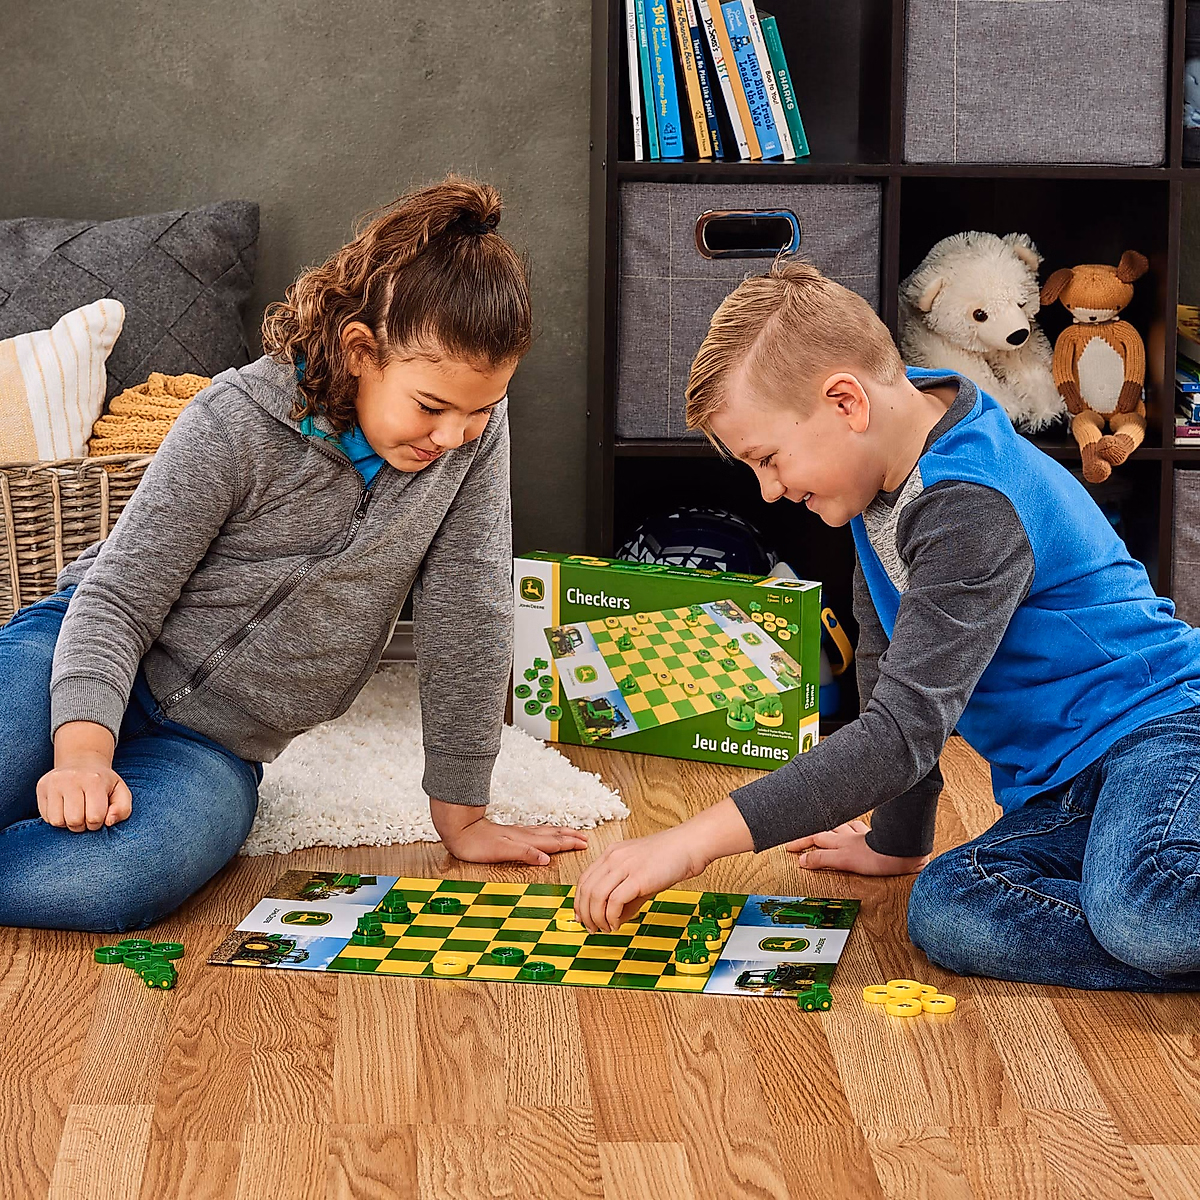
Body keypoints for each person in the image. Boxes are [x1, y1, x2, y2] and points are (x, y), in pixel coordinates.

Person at [575, 257, 1200, 991]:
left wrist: (692, 843)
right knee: (946, 908)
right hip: (1063, 788)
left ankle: (1153, 924)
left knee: (1142, 909)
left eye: (768, 458)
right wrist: (899, 843)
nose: (770, 490)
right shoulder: (884, 478)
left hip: (1164, 734)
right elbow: (886, 675)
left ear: (846, 401)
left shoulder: (970, 502)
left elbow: (898, 737)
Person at [0, 174, 586, 933]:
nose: (452, 436)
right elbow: (116, 599)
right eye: (432, 408)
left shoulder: (471, 440)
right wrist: (82, 753)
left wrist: (463, 811)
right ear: (359, 350)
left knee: (112, 884)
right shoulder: (233, 419)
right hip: (73, 658)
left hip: (211, 747)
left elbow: (466, 611)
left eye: (480, 411)